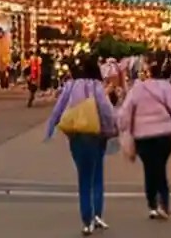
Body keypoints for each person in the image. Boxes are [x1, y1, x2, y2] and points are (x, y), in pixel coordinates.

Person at [45, 54, 117, 236]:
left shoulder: (70, 85)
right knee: (97, 175)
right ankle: (97, 215)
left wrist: (50, 129)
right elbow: (106, 110)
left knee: (83, 178)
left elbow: (59, 108)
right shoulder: (97, 87)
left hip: (76, 135)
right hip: (96, 135)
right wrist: (112, 129)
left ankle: (87, 221)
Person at [117, 58, 171, 220]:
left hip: (144, 136)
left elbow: (125, 112)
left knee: (149, 169)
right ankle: (164, 203)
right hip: (164, 134)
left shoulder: (137, 89)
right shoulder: (166, 88)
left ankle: (152, 205)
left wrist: (122, 127)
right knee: (160, 167)